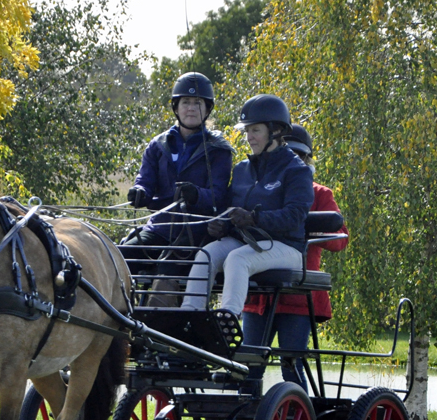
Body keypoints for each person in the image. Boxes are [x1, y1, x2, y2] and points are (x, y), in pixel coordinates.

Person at [181, 95, 313, 318]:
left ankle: (227, 318)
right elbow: (230, 207)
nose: (249, 138)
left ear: (276, 131)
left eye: (256, 131)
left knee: (238, 258)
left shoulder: (296, 170)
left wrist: (254, 218)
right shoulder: (242, 169)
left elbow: (295, 216)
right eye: (247, 131)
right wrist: (222, 225)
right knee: (208, 252)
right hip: (246, 241)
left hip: (287, 246)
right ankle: (189, 316)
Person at [241, 123, 349, 390]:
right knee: (248, 366)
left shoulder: (320, 194)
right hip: (258, 296)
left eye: (300, 157)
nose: (293, 161)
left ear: (308, 160)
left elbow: (340, 241)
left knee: (291, 367)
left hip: (296, 297)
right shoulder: (261, 187)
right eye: (289, 154)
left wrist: (304, 225)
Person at [120, 72, 235, 306]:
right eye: (185, 102)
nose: (191, 108)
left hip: (194, 234)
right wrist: (140, 192)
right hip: (159, 229)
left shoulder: (218, 150)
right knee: (118, 257)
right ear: (176, 107)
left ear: (207, 109)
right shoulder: (158, 145)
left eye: (197, 103)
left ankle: (155, 331)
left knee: (167, 273)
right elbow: (145, 181)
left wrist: (196, 195)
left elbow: (219, 195)